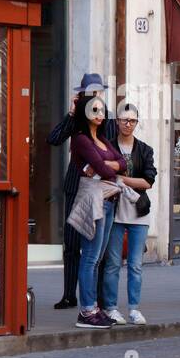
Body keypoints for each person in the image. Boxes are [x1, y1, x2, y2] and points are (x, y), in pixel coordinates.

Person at [47, 73, 115, 309]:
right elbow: (53, 139)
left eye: (97, 93)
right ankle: (69, 295)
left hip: (98, 189)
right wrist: (73, 112)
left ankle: (95, 298)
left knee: (97, 248)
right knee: (72, 242)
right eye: (90, 93)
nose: (94, 97)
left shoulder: (107, 118)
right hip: (76, 186)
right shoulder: (76, 119)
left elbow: (113, 151)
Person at [67, 91, 127, 330]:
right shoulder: (81, 139)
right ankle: (87, 310)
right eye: (95, 110)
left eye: (102, 110)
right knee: (90, 258)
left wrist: (106, 166)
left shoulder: (102, 138)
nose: (100, 114)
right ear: (84, 112)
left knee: (97, 258)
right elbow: (110, 169)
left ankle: (93, 308)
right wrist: (107, 166)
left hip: (109, 200)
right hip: (95, 201)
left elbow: (122, 163)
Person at [100, 103, 156, 325]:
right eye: (124, 119)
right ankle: (111, 307)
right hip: (114, 213)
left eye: (132, 120)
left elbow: (148, 181)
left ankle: (134, 308)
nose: (127, 124)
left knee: (135, 265)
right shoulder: (108, 146)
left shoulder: (144, 150)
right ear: (117, 122)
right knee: (113, 263)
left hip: (139, 213)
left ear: (137, 123)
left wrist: (122, 180)